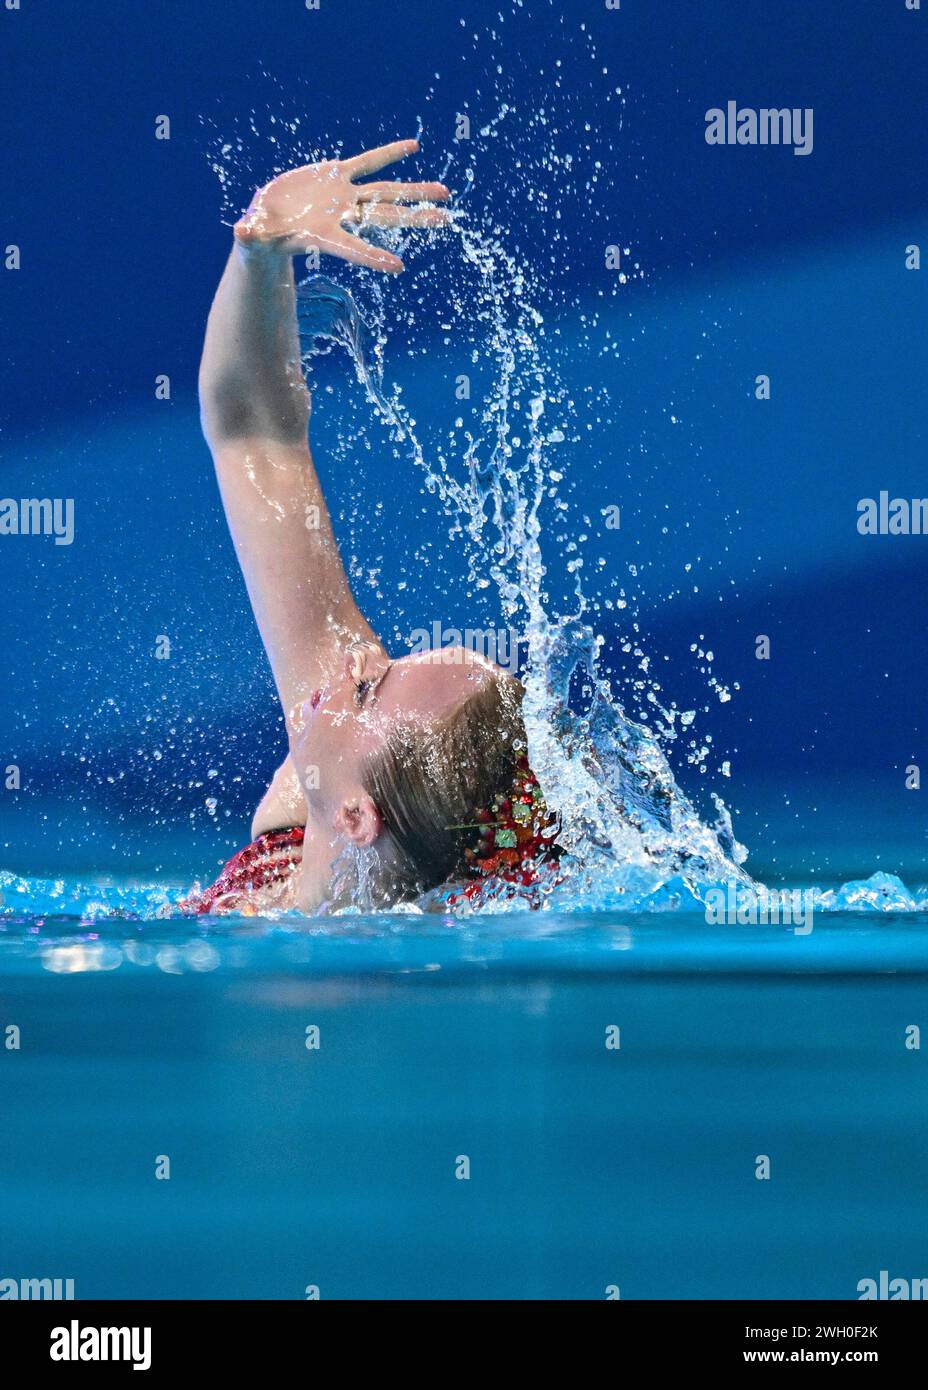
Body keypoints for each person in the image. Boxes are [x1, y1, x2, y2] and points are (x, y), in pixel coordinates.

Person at [187, 139, 558, 916]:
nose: (349, 667)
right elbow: (257, 434)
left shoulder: (293, 993)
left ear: (355, 815)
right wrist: (259, 251)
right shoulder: (319, 786)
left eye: (367, 688)